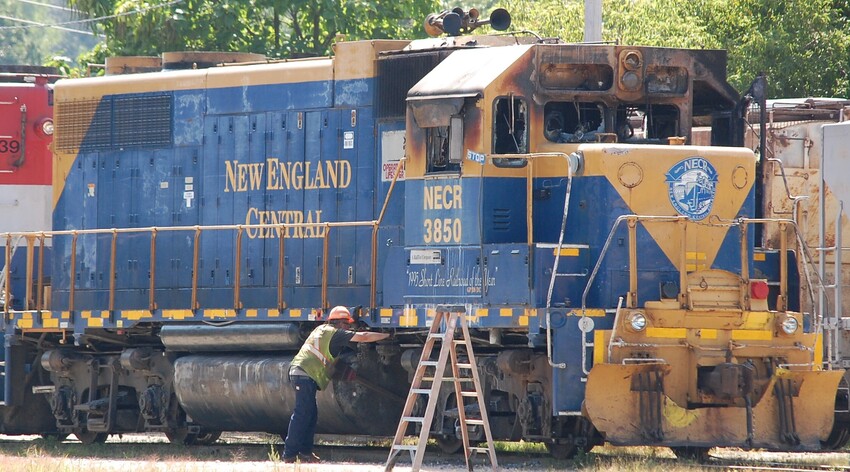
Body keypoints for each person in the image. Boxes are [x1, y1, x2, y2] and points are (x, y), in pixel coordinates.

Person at [283, 305, 390, 463]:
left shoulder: (322, 330)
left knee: (311, 415)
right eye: (347, 324)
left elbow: (327, 358)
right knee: (302, 413)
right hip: (304, 373)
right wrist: (386, 335)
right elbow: (364, 336)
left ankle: (305, 453)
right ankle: (289, 454)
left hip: (303, 373)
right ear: (339, 323)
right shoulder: (335, 333)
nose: (348, 328)